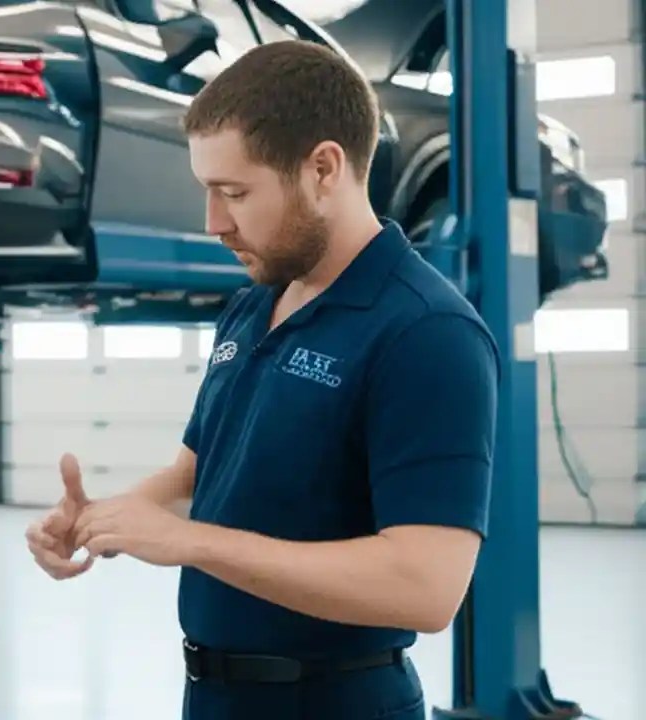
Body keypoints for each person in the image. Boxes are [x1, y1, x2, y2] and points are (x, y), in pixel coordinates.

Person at [25, 40, 499, 720]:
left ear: (323, 169)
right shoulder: (254, 305)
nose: (214, 223)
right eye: (208, 191)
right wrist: (99, 520)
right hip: (216, 697)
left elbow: (426, 587)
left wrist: (194, 544)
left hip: (336, 703)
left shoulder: (428, 335)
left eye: (235, 193)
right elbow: (197, 477)